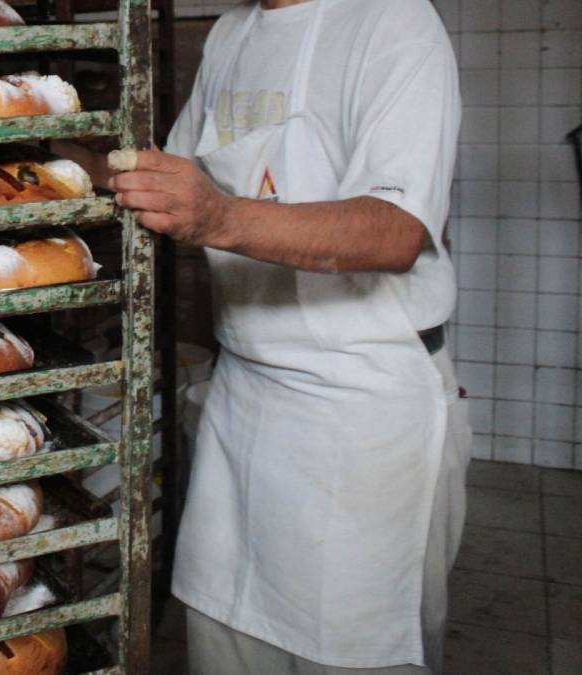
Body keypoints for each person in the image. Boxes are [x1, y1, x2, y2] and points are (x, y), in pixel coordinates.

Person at [107, 0, 470, 672]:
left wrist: (218, 217)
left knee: (354, 656)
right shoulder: (231, 33)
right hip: (244, 396)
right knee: (225, 641)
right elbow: (168, 180)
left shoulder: (393, 21)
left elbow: (395, 232)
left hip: (363, 415)